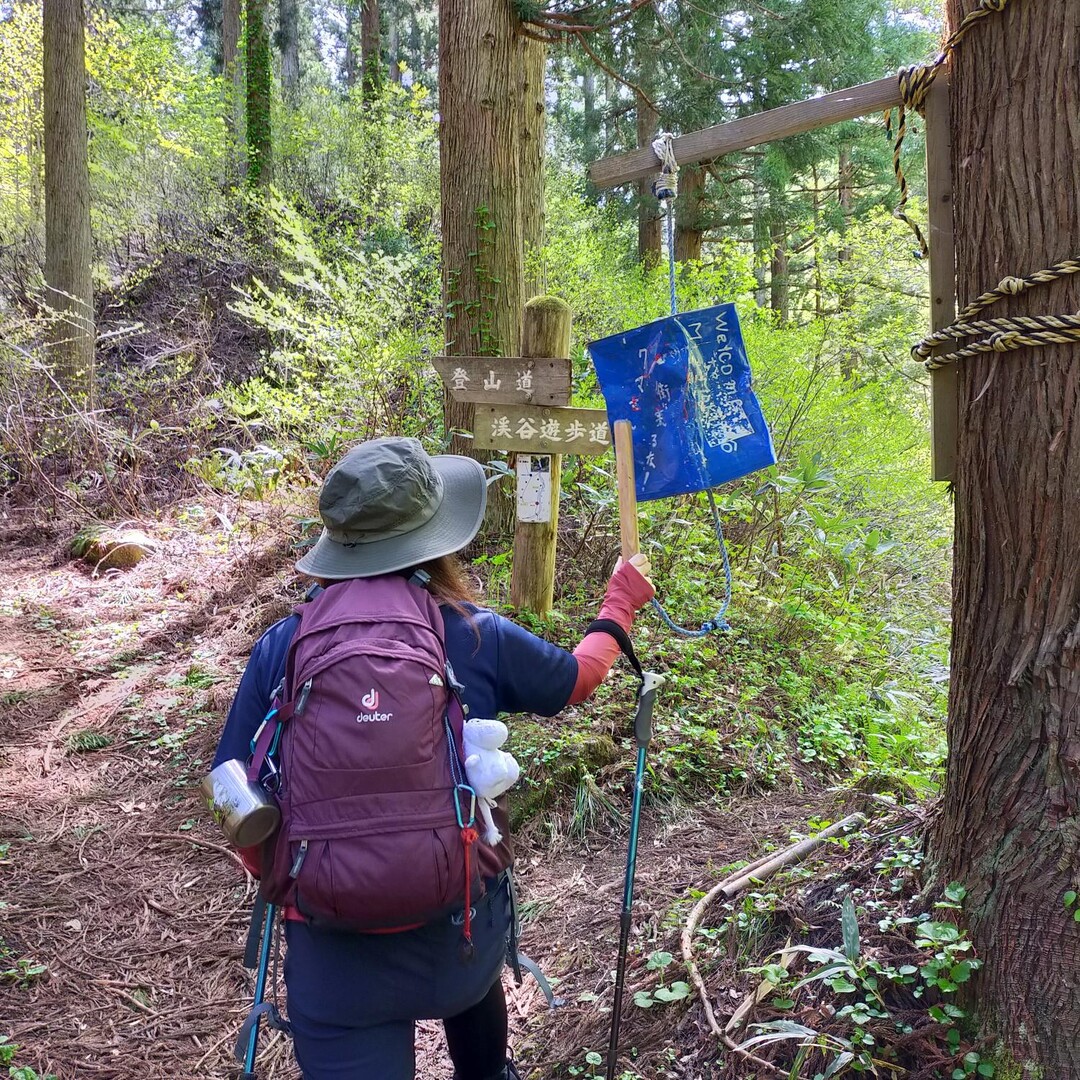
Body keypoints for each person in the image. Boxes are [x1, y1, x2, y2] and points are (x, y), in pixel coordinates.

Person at [213, 437, 655, 1080]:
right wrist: (620, 604)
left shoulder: (284, 646)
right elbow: (577, 678)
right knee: (478, 984)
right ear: (434, 538)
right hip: (459, 942)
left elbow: (231, 796)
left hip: (331, 955)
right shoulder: (473, 632)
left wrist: (284, 874)